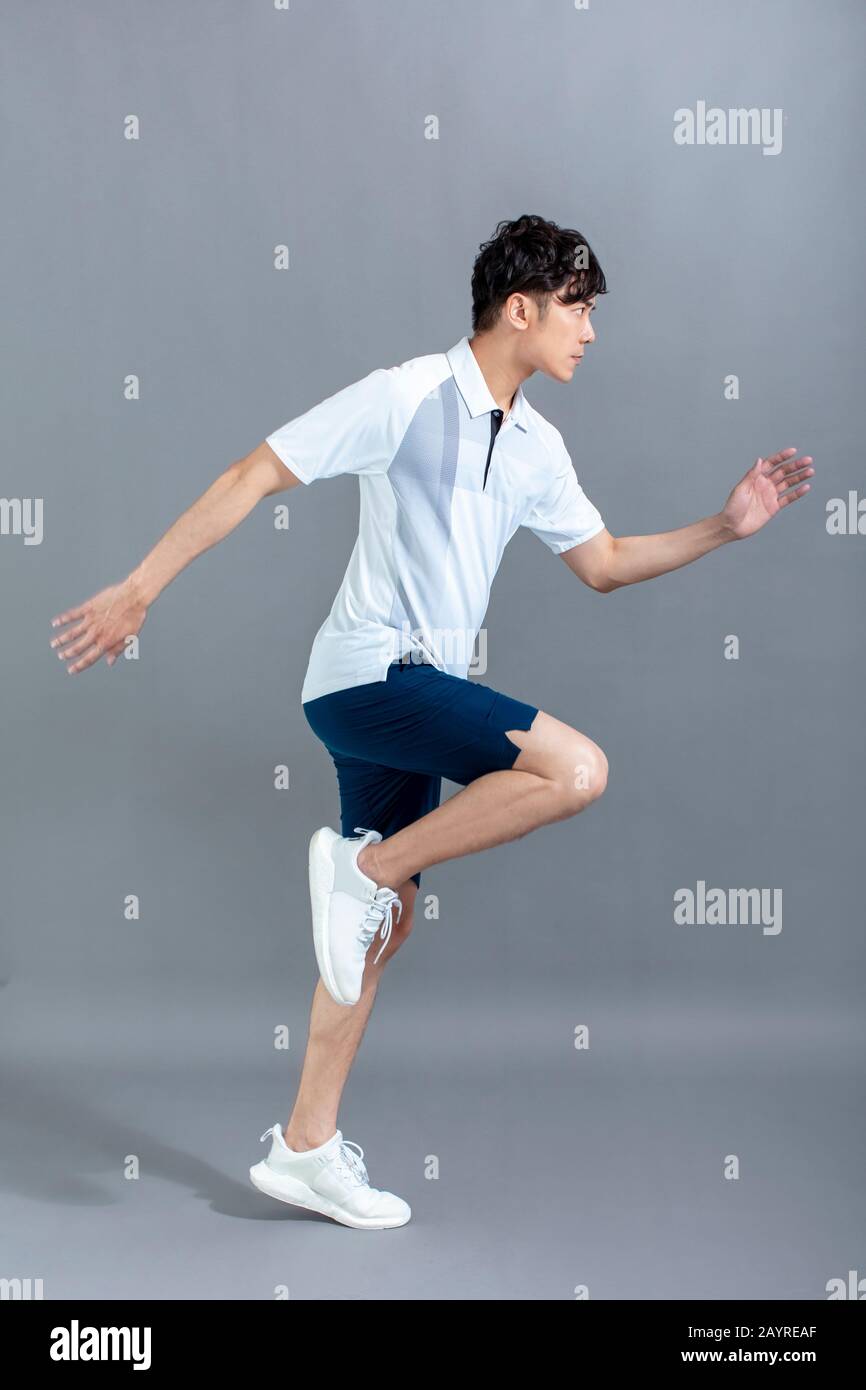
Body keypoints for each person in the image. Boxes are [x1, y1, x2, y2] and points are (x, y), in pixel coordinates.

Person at [49, 213, 815, 1230]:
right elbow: (255, 473)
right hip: (365, 676)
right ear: (519, 307)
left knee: (373, 935)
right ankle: (358, 870)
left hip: (414, 698)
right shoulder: (404, 395)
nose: (588, 331)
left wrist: (726, 525)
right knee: (572, 770)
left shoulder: (537, 445)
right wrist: (140, 588)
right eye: (577, 309)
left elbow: (602, 564)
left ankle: (305, 1146)